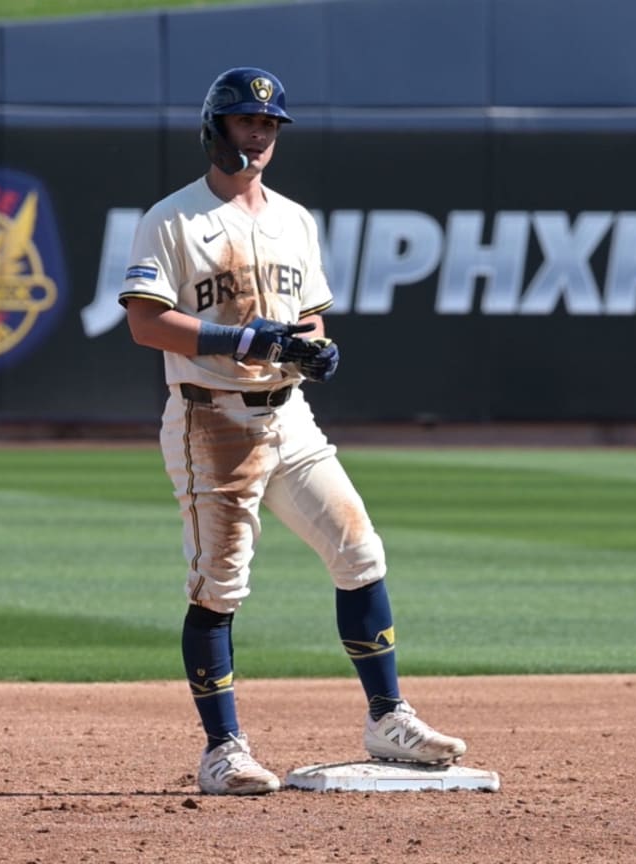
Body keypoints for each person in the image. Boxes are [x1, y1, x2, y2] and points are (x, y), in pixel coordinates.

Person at [119, 66, 468, 796]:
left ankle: (388, 718)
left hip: (291, 416)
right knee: (220, 584)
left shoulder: (294, 219)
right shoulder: (172, 219)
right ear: (216, 127)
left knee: (358, 548)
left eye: (270, 126)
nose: (260, 135)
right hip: (211, 422)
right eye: (248, 122)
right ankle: (223, 749)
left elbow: (306, 315)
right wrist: (238, 341)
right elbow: (146, 321)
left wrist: (309, 344)